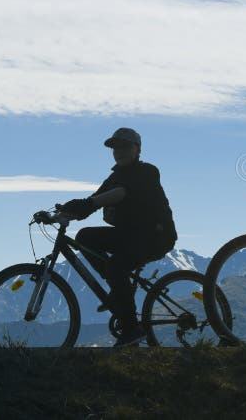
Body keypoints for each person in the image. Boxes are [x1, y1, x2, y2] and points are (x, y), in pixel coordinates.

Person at [59, 127, 178, 348]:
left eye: (124, 146)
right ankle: (117, 290)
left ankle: (132, 329)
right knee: (84, 237)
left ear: (138, 149)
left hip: (155, 236)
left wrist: (88, 203)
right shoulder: (114, 177)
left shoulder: (147, 172)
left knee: (116, 267)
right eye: (115, 148)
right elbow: (95, 200)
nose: (118, 151)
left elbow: (121, 193)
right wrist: (64, 212)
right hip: (130, 235)